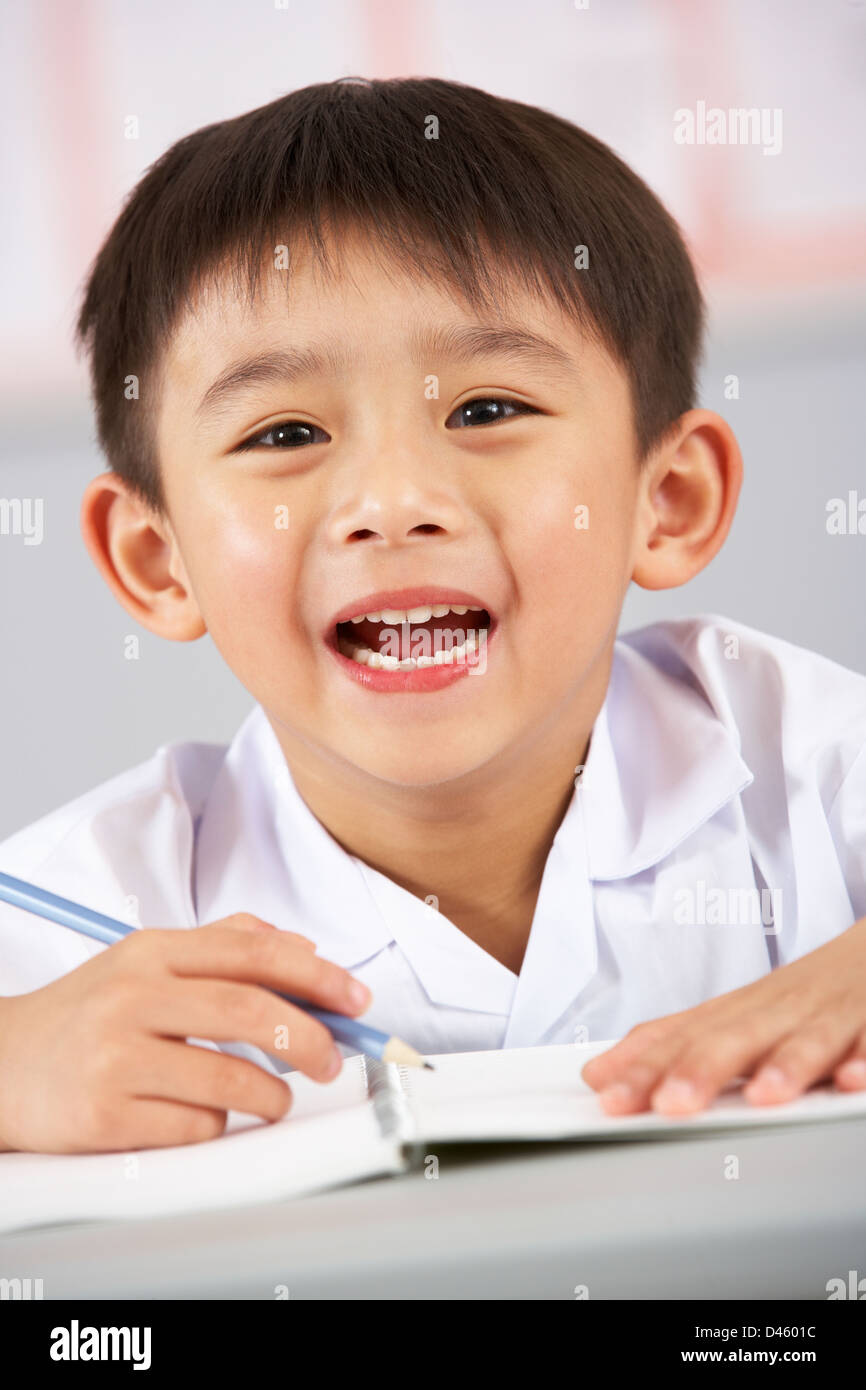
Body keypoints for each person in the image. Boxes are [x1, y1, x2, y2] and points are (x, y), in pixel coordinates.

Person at [1, 77, 864, 1155]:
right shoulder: (91, 902)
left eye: (486, 408)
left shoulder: (799, 755)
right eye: (282, 433)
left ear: (668, 499)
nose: (392, 502)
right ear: (155, 559)